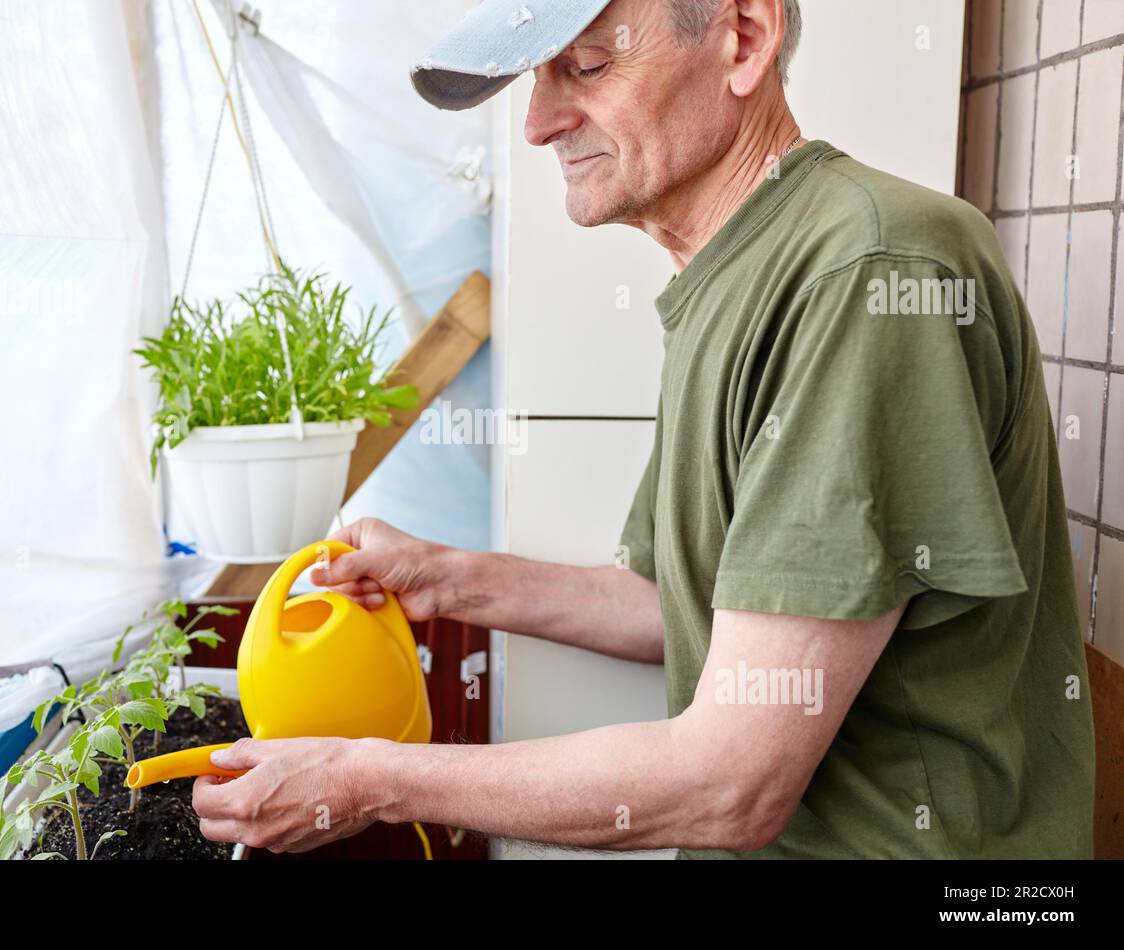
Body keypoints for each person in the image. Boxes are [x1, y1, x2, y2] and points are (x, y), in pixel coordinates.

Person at [191, 0, 1095, 858]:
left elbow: (732, 781)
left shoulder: (861, 275)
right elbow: (682, 601)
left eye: (585, 66)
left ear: (742, 37)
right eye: (538, 79)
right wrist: (444, 578)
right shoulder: (735, 274)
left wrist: (364, 781)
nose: (539, 122)